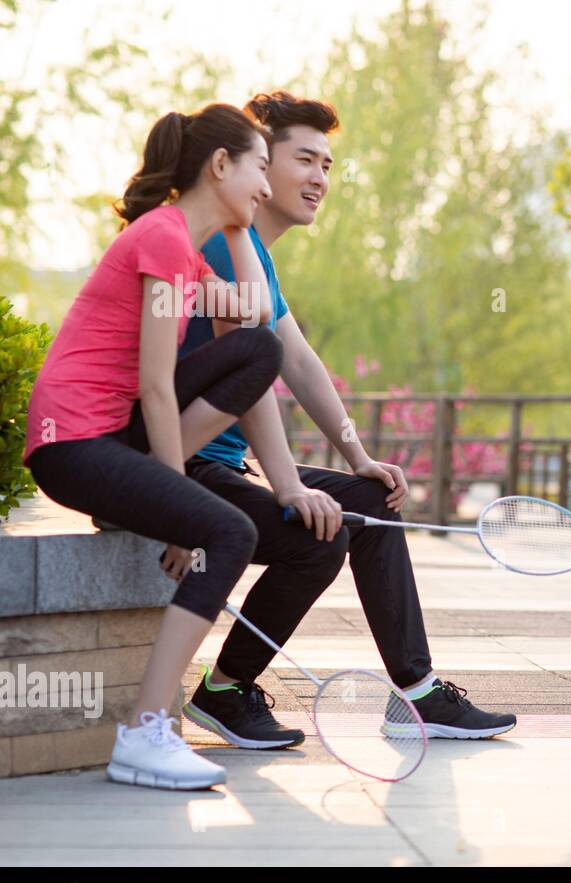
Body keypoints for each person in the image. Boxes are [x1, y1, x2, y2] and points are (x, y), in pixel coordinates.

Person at [177, 92, 515, 747]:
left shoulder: (253, 254)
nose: (320, 180)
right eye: (305, 159)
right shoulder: (219, 248)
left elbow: (299, 361)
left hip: (218, 464)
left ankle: (415, 694)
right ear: (253, 164)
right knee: (319, 532)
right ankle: (225, 688)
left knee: (370, 498)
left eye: (328, 165)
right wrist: (285, 486)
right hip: (180, 465)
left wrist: (358, 456)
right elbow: (253, 382)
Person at [24, 104, 285, 789]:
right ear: (220, 164)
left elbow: (255, 315)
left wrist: (237, 226)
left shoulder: (183, 247)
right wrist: (180, 506)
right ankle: (146, 731)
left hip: (109, 435)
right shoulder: (163, 241)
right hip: (73, 441)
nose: (267, 185)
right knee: (226, 531)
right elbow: (156, 387)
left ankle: (149, 731)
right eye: (260, 166)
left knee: (258, 351)